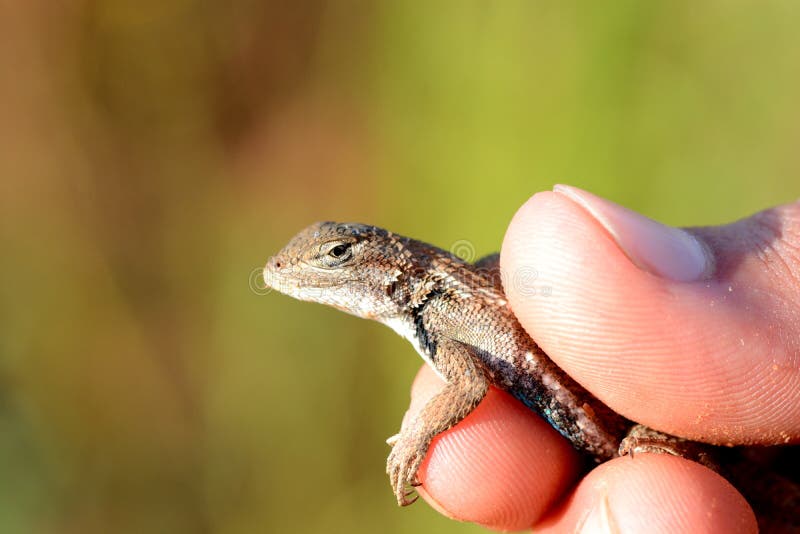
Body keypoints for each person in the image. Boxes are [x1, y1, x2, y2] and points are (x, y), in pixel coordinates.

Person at [404, 185, 799, 532]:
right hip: (626, 440)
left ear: (394, 266)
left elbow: (469, 385)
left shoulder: (442, 310)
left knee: (658, 488)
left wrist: (417, 437)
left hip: (640, 432)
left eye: (339, 253)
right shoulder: (456, 294)